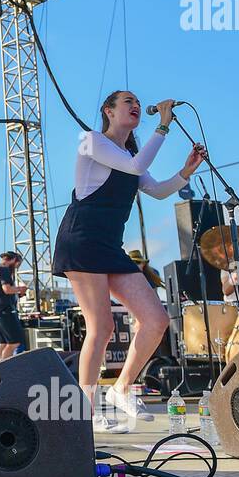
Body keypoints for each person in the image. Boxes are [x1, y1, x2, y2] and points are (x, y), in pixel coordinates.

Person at [52, 91, 207, 432]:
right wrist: (163, 126)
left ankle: (122, 388)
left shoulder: (130, 154)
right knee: (102, 327)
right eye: (127, 101)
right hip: (81, 240)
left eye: (137, 102)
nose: (136, 105)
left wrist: (186, 171)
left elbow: (158, 189)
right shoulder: (92, 141)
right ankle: (86, 409)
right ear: (108, 110)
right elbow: (137, 168)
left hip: (109, 246)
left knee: (156, 320)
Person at [0, 251, 28, 360]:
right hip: (6, 311)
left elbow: (2, 293)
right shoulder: (4, 269)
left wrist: (17, 294)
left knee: (3, 343)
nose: (17, 267)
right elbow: (7, 289)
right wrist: (21, 289)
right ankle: (5, 369)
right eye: (18, 265)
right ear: (14, 260)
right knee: (14, 342)